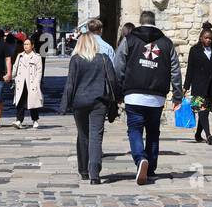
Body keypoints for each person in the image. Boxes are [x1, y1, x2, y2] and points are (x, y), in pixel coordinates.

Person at [116, 10, 182, 185]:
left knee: (135, 130)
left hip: (133, 95)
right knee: (153, 132)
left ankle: (140, 159)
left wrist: (118, 91)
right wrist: (177, 95)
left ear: (140, 21)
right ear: (155, 21)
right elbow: (175, 71)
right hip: (157, 96)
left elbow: (118, 66)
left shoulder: (129, 40)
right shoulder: (166, 43)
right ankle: (150, 168)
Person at [61, 32, 119, 184]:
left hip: (79, 102)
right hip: (99, 101)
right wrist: (116, 100)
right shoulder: (103, 59)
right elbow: (112, 80)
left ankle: (83, 170)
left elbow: (70, 83)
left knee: (82, 134)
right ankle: (94, 173)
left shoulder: (75, 60)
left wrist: (65, 104)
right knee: (96, 135)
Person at [184, 27, 212, 145]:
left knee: (205, 111)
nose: (208, 40)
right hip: (198, 86)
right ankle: (208, 135)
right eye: (206, 38)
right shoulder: (194, 50)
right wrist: (186, 86)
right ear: (201, 38)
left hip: (211, 86)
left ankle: (197, 134)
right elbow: (190, 69)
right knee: (202, 110)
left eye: (210, 38)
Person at [11, 36, 44, 128]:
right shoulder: (20, 56)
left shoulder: (37, 57)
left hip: (31, 82)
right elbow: (15, 67)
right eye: (24, 44)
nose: (25, 46)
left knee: (32, 102)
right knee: (20, 101)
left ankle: (35, 120)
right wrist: (12, 76)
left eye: (27, 44)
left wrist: (37, 82)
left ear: (32, 46)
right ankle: (19, 120)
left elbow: (39, 71)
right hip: (21, 82)